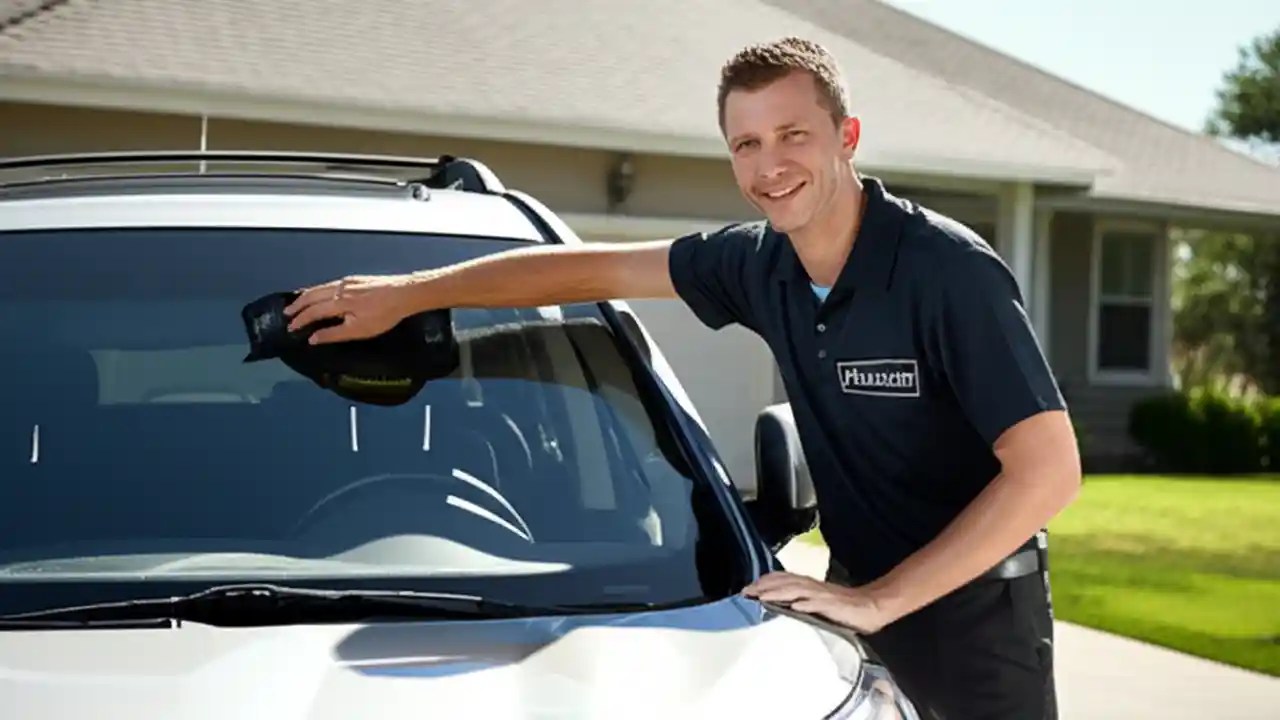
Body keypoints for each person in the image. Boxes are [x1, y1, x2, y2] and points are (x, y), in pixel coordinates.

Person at [284, 37, 1080, 719]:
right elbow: (587, 268)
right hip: (853, 606)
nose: (770, 166)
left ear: (848, 137)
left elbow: (1049, 471)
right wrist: (412, 294)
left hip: (977, 623)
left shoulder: (947, 272)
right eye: (747, 144)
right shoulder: (757, 264)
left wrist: (884, 598)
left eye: (793, 135)